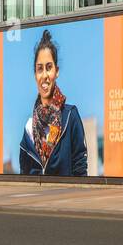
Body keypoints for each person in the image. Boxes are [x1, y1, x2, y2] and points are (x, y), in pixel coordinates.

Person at [18, 29, 87, 176]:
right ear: (35, 75)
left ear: (57, 71)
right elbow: (23, 177)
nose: (44, 75)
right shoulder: (29, 129)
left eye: (49, 68)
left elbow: (80, 170)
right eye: (39, 69)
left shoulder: (70, 117)